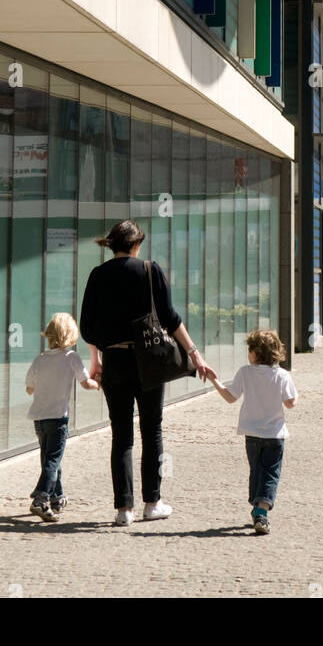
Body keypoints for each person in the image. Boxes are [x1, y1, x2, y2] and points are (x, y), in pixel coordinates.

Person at [80, 219, 209, 526]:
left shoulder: (98, 275)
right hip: (148, 361)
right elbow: (170, 318)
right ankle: (153, 502)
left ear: (113, 245)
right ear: (137, 244)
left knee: (121, 437)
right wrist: (195, 354)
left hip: (114, 362)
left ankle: (124, 509)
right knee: (152, 431)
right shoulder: (150, 271)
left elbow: (87, 327)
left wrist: (96, 360)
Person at [205, 327, 298, 535]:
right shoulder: (282, 375)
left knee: (256, 470)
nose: (248, 354)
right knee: (270, 474)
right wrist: (296, 397)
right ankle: (261, 513)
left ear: (256, 353)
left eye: (250, 350)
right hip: (275, 435)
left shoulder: (245, 373)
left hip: (251, 434)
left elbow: (230, 397)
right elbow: (290, 403)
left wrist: (214, 380)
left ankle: (257, 507)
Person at [25, 312, 99, 522]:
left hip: (39, 418)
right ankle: (41, 498)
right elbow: (86, 383)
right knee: (53, 460)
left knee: (49, 459)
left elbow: (29, 388)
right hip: (58, 418)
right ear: (71, 335)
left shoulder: (40, 360)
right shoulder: (71, 358)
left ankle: (57, 497)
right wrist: (100, 385)